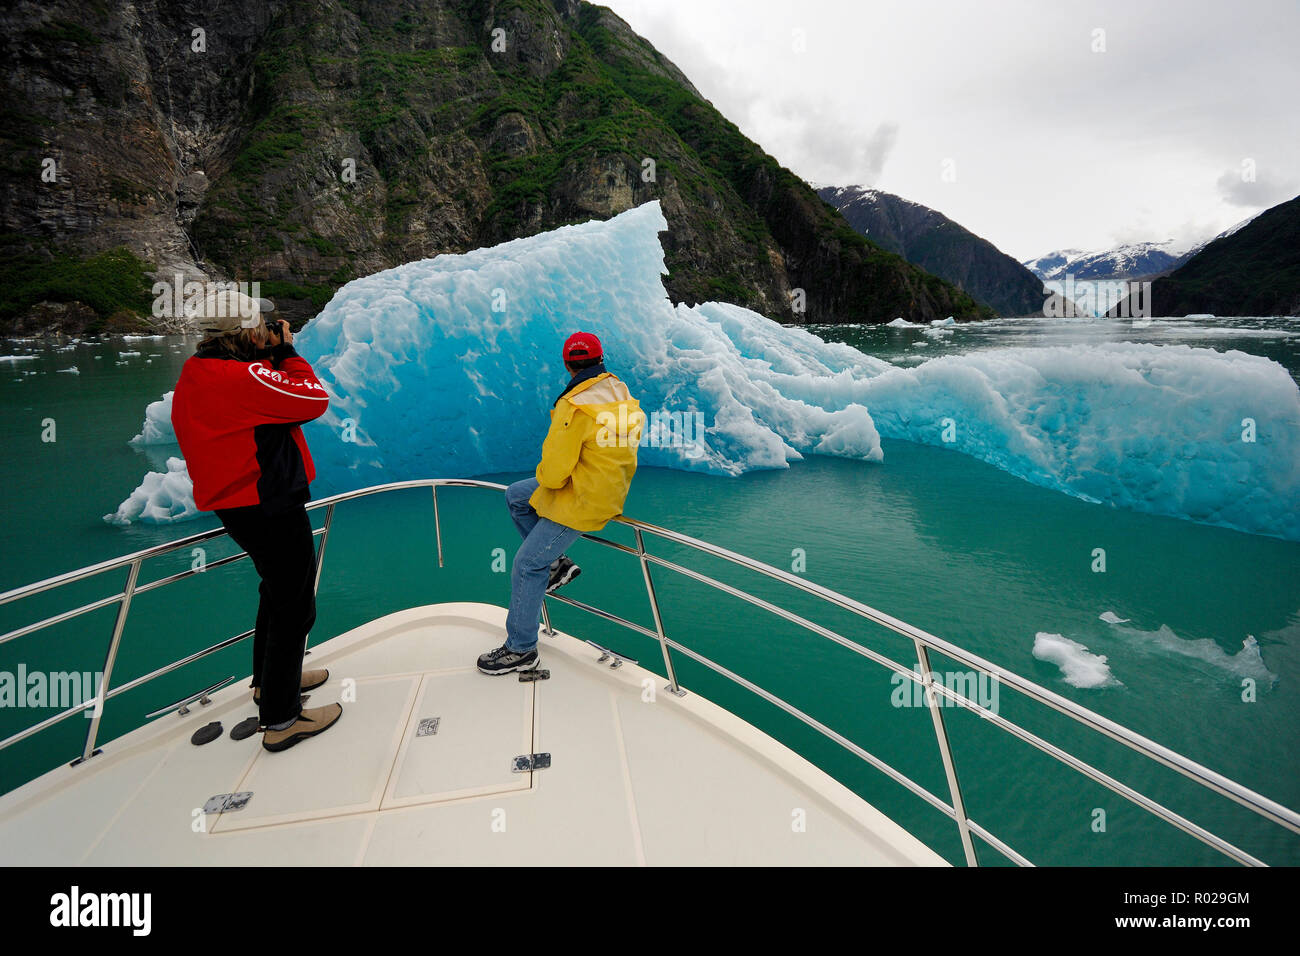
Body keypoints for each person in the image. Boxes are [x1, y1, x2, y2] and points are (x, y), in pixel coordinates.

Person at [171, 288, 342, 751]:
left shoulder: (197, 372)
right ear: (244, 332)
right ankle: (283, 720)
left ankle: (271, 684)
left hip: (240, 504)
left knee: (276, 592)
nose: (268, 330)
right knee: (293, 604)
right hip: (267, 504)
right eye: (261, 326)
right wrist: (287, 352)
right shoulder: (243, 377)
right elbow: (312, 399)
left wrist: (268, 357)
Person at [478, 332, 644, 674]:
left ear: (568, 365)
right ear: (600, 361)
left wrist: (549, 475)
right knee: (516, 496)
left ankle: (521, 648)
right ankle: (557, 565)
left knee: (527, 565)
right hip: (605, 485)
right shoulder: (620, 391)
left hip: (583, 497)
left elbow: (553, 476)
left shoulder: (576, 405)